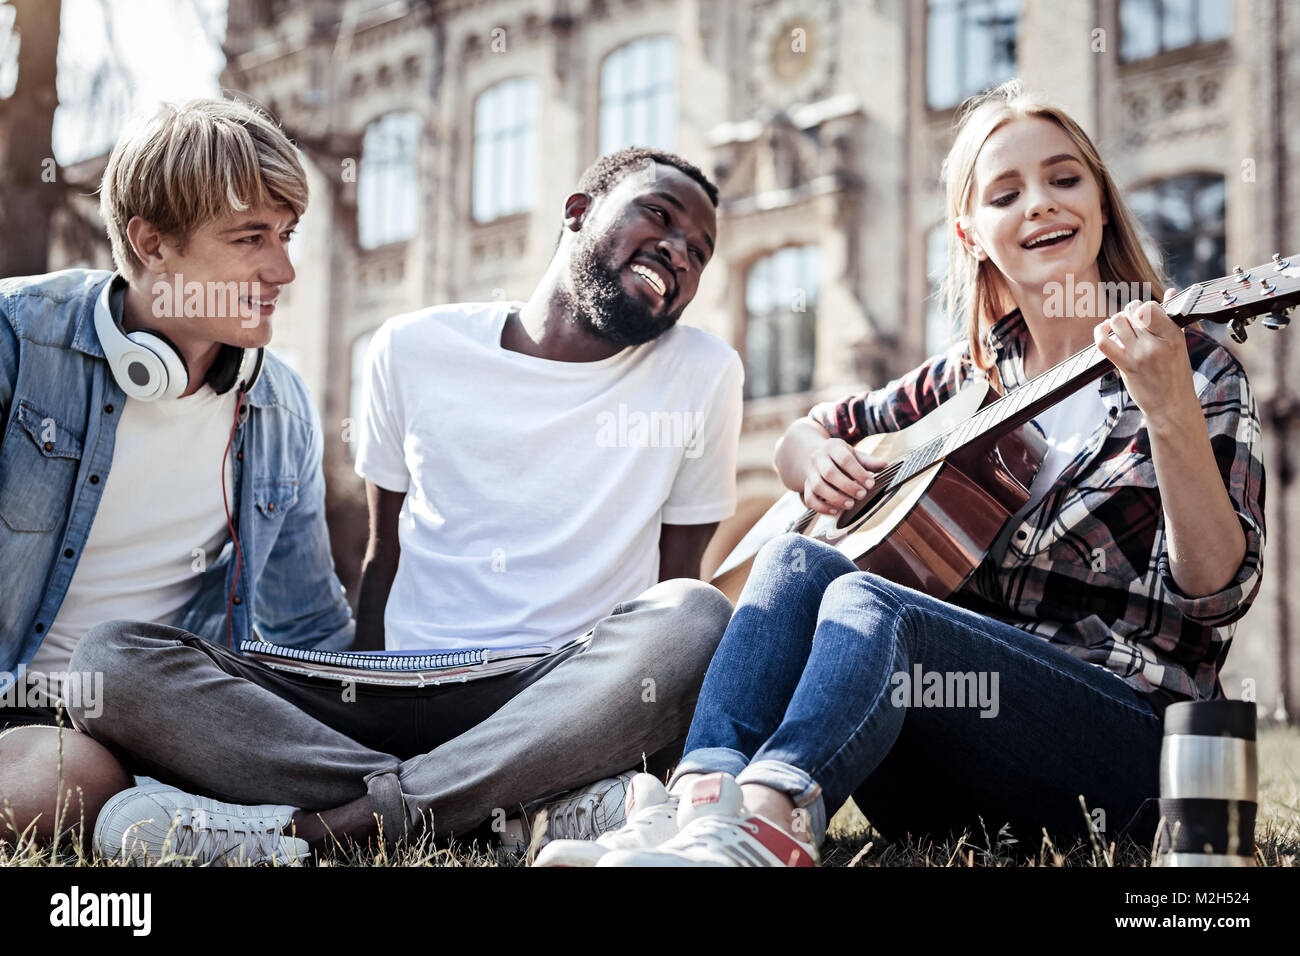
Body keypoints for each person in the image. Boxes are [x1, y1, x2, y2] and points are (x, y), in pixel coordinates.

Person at [553, 79, 1266, 867]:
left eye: (1065, 179)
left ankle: (761, 826)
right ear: (970, 234)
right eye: (1007, 193)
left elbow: (1214, 598)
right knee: (796, 558)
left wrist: (1168, 412)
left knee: (869, 598)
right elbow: (815, 427)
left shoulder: (1193, 366)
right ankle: (700, 807)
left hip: (1128, 757)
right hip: (955, 759)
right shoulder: (967, 381)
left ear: (1100, 203)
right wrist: (809, 460)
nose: (1041, 204)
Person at [69, 147, 742, 864]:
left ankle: (326, 830)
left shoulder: (701, 373)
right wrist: (355, 688)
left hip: (556, 701)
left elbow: (675, 587)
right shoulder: (411, 347)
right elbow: (380, 556)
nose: (677, 251)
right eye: (659, 217)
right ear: (577, 213)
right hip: (391, 696)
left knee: (697, 616)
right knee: (108, 662)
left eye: (699, 254)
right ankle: (508, 812)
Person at [0, 98, 353, 849]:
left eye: (286, 236)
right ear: (152, 243)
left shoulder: (277, 404)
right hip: (20, 719)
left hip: (170, 719)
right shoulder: (15, 344)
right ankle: (223, 817)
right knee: (56, 784)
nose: (283, 269)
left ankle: (221, 810)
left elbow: (311, 631)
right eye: (251, 237)